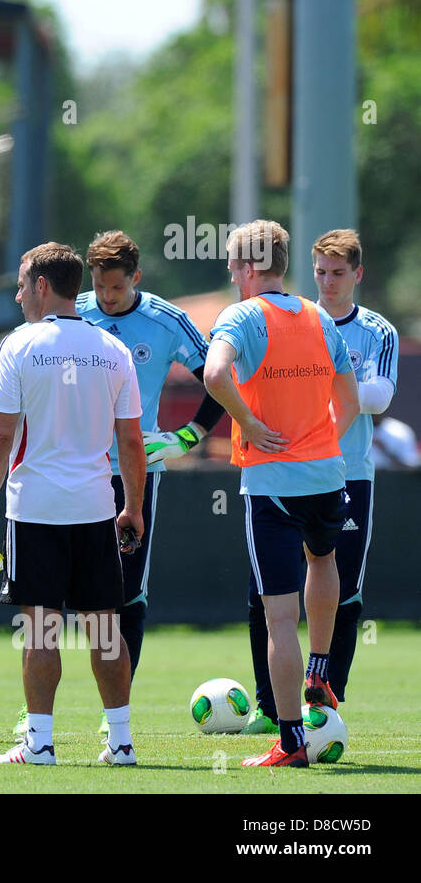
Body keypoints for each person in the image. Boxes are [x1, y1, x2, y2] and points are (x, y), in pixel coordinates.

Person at [0, 242, 144, 766]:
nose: (20, 294)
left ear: (43, 286)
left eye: (24, 284)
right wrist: (133, 508)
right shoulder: (112, 349)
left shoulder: (19, 347)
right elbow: (132, 442)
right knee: (104, 627)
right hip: (96, 507)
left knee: (42, 626)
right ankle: (120, 742)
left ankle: (41, 743)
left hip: (36, 510)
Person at [203, 219, 358, 768]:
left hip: (272, 481)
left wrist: (248, 420)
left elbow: (215, 375)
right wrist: (321, 443)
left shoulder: (241, 315)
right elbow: (352, 400)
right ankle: (321, 668)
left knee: (276, 615)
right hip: (328, 475)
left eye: (230, 261)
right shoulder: (319, 316)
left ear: (248, 267)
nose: (227, 270)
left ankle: (290, 740)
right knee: (324, 559)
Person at [65, 230, 225, 736]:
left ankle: (115, 715)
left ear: (136, 278)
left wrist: (189, 436)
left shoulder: (165, 321)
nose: (106, 297)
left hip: (134, 475)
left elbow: (219, 381)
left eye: (116, 287)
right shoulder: (72, 312)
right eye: (99, 286)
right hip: (71, 472)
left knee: (127, 593)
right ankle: (38, 709)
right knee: (58, 592)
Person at [242, 228, 396, 733]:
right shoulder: (298, 317)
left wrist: (316, 428)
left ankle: (326, 699)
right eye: (321, 273)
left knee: (343, 592)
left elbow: (380, 395)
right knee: (266, 594)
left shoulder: (376, 331)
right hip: (290, 473)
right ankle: (270, 706)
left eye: (338, 274)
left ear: (358, 274)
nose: (328, 283)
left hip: (346, 471)